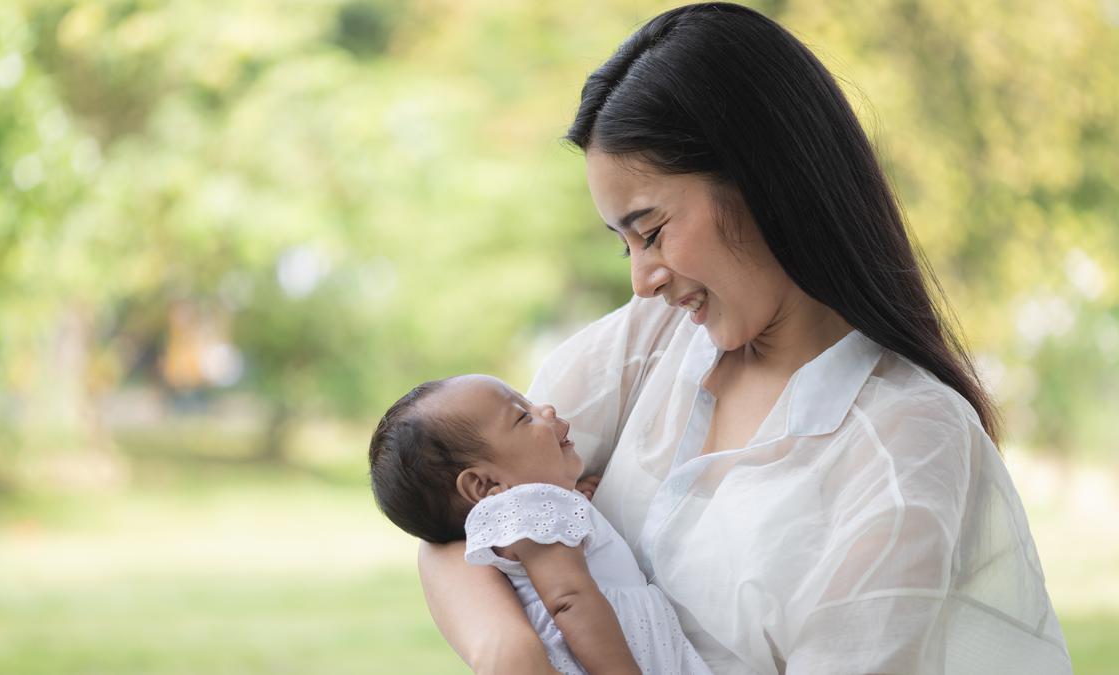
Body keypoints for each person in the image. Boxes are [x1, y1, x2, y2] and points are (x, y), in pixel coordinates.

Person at [418, 3, 1072, 674]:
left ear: (764, 180)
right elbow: (460, 506)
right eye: (624, 245)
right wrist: (506, 649)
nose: (642, 279)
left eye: (652, 231)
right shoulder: (657, 336)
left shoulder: (905, 443)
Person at [369, 374, 712, 674]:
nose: (546, 409)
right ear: (485, 486)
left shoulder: (524, 518)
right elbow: (569, 599)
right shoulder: (532, 506)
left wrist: (574, 496)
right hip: (607, 653)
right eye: (523, 416)